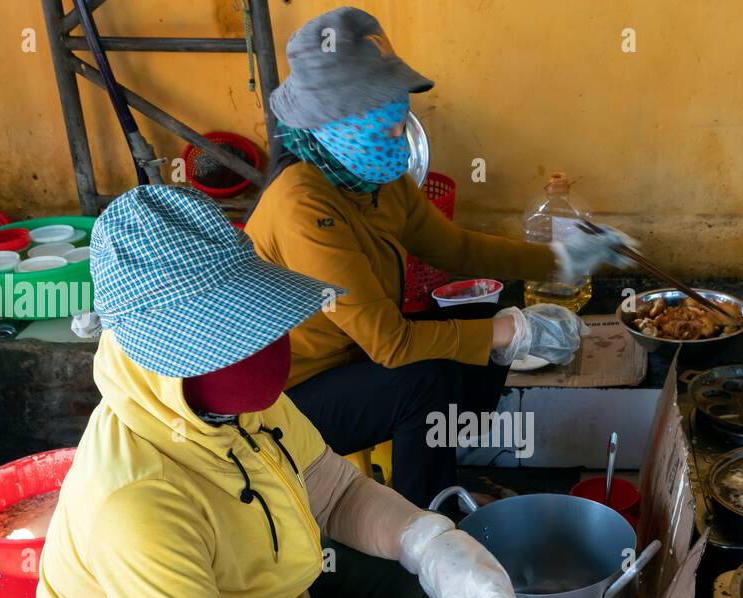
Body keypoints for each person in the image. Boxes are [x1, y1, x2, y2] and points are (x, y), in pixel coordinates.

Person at [36, 185, 538, 598]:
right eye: (233, 332)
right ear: (165, 352)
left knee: (420, 590)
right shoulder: (135, 498)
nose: (267, 346)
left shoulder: (236, 403)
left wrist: (433, 542)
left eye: (255, 318)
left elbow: (336, 493)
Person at [247, 6, 635, 506]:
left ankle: (443, 472)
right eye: (381, 127)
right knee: (425, 379)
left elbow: (454, 247)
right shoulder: (303, 205)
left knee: (479, 321)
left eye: (398, 122)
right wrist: (509, 333)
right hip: (287, 399)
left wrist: (561, 259)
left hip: (351, 355)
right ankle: (425, 526)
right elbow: (390, 345)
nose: (397, 141)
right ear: (332, 127)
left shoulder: (375, 178)